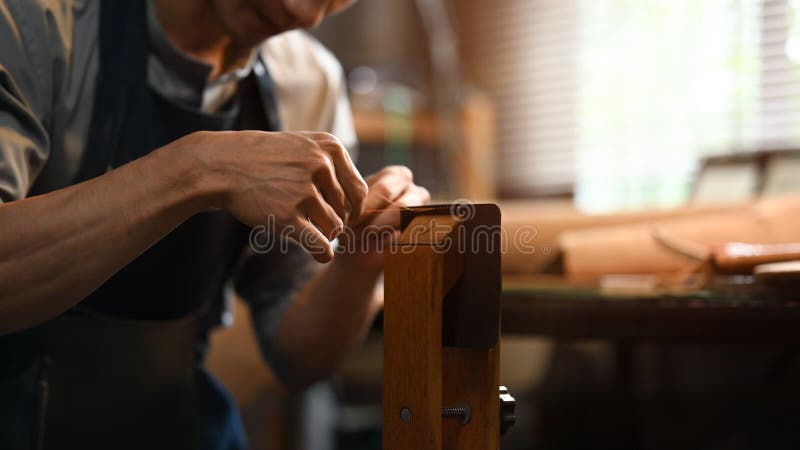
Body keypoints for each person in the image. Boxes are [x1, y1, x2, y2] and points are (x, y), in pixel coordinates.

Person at [0, 0, 429, 449]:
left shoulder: (307, 81)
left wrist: (357, 268)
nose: (303, 14)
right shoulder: (32, 24)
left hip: (181, 425)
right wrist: (196, 170)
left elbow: (298, 359)